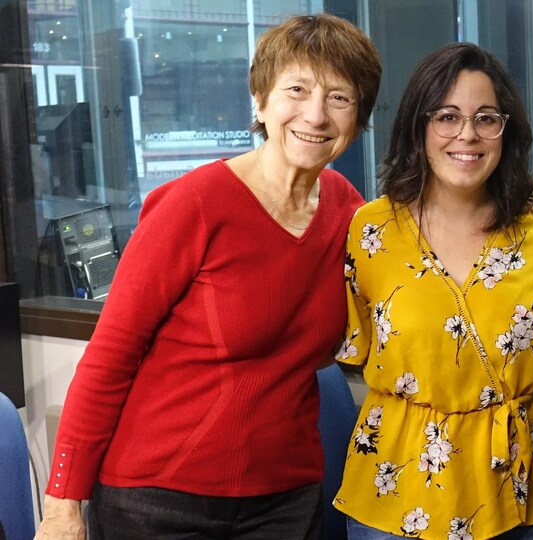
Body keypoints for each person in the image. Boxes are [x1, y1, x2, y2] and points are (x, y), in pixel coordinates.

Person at [35, 13, 381, 539]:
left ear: (358, 118)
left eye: (339, 97)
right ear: (259, 101)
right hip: (157, 498)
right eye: (296, 90)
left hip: (286, 496)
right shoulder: (192, 204)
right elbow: (109, 357)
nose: (315, 114)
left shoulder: (347, 211)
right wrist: (63, 505)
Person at [333, 42, 533, 539]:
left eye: (486, 118)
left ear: (506, 131)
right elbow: (347, 344)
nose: (467, 134)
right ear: (418, 127)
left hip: (518, 489)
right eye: (447, 116)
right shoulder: (371, 230)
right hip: (398, 490)